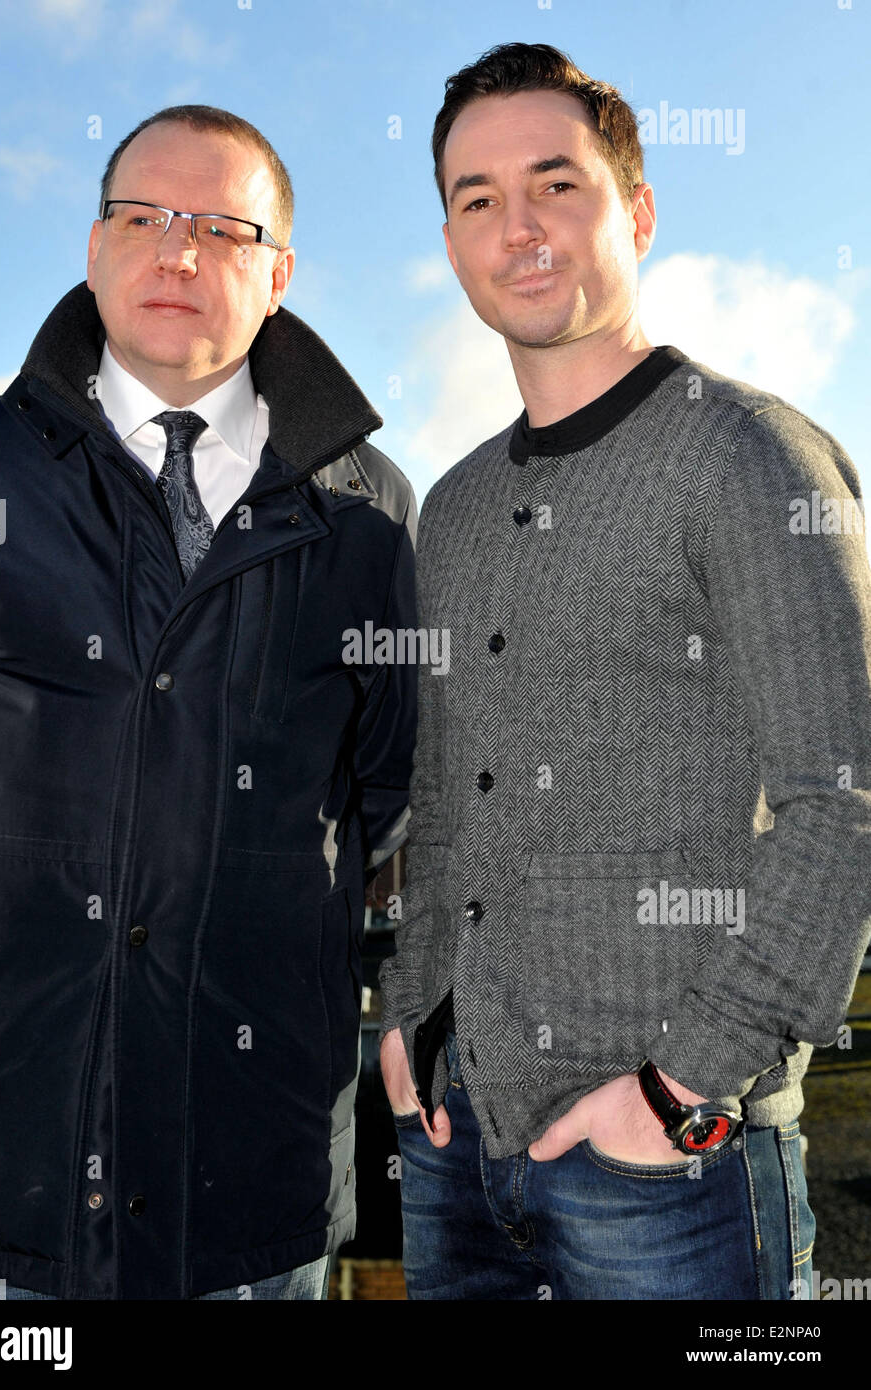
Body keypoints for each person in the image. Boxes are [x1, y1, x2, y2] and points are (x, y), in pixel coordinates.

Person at [379, 42, 871, 1300]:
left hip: (669, 1172)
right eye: (477, 199)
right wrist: (406, 1013)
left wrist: (683, 1084)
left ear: (636, 211)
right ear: (448, 241)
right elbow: (442, 808)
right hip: (452, 1145)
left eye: (557, 184)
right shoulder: (453, 505)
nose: (518, 227)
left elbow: (843, 800)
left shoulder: (750, 459)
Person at [0, 104, 417, 1300]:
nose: (175, 252)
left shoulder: (369, 513)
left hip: (251, 1184)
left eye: (218, 227)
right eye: (140, 218)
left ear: (278, 271)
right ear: (94, 249)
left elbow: (385, 795)